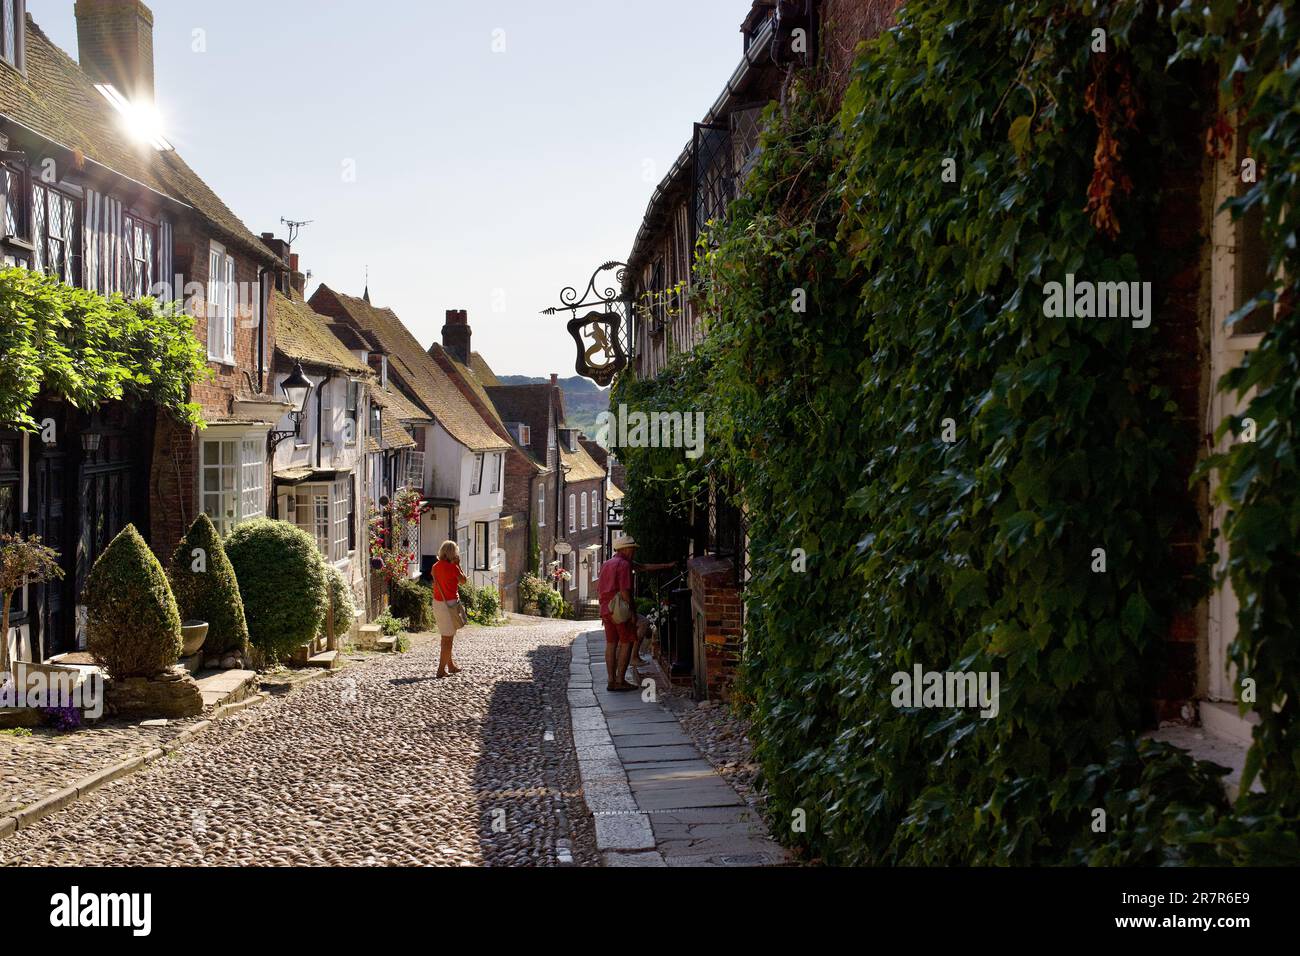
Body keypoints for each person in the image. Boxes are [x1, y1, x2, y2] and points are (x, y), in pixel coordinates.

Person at [597, 534, 673, 692]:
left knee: (611, 644)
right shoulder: (624, 565)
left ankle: (611, 681)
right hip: (620, 609)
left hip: (605, 608)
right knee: (626, 642)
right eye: (632, 548)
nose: (634, 551)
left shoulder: (607, 563)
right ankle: (620, 680)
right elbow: (625, 591)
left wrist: (666, 565)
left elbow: (643, 567)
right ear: (626, 549)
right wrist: (632, 612)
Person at [431, 539, 468, 679]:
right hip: (450, 604)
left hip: (437, 603)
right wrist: (458, 565)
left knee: (445, 636)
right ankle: (441, 670)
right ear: (453, 553)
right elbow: (463, 581)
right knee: (448, 639)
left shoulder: (435, 566)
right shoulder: (453, 568)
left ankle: (451, 665)